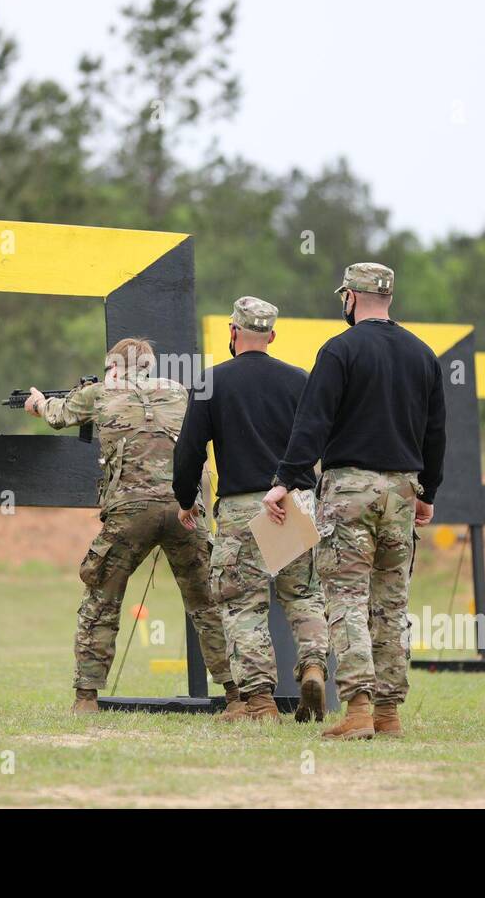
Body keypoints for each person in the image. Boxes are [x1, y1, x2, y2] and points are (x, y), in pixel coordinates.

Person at [263, 263, 445, 740]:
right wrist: (428, 491)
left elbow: (313, 423)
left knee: (346, 598)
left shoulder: (339, 350)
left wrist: (286, 479)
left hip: (349, 489)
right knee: (391, 602)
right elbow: (435, 432)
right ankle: (389, 714)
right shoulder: (423, 355)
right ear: (387, 298)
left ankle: (360, 708)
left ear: (351, 298)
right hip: (403, 491)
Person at [24, 337, 234, 714]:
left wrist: (38, 402)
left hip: (129, 511)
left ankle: (86, 697)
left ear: (116, 368)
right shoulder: (179, 391)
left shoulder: (100, 392)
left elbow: (57, 416)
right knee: (207, 603)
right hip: (184, 508)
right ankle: (237, 696)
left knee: (101, 601)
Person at [173, 297, 328, 724]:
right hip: (295, 500)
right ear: (272, 336)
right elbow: (320, 441)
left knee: (243, 605)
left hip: (243, 508)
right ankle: (313, 666)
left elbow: (188, 451)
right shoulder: (300, 381)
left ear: (232, 332)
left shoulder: (211, 382)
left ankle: (259, 704)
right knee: (304, 595)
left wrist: (186, 500)